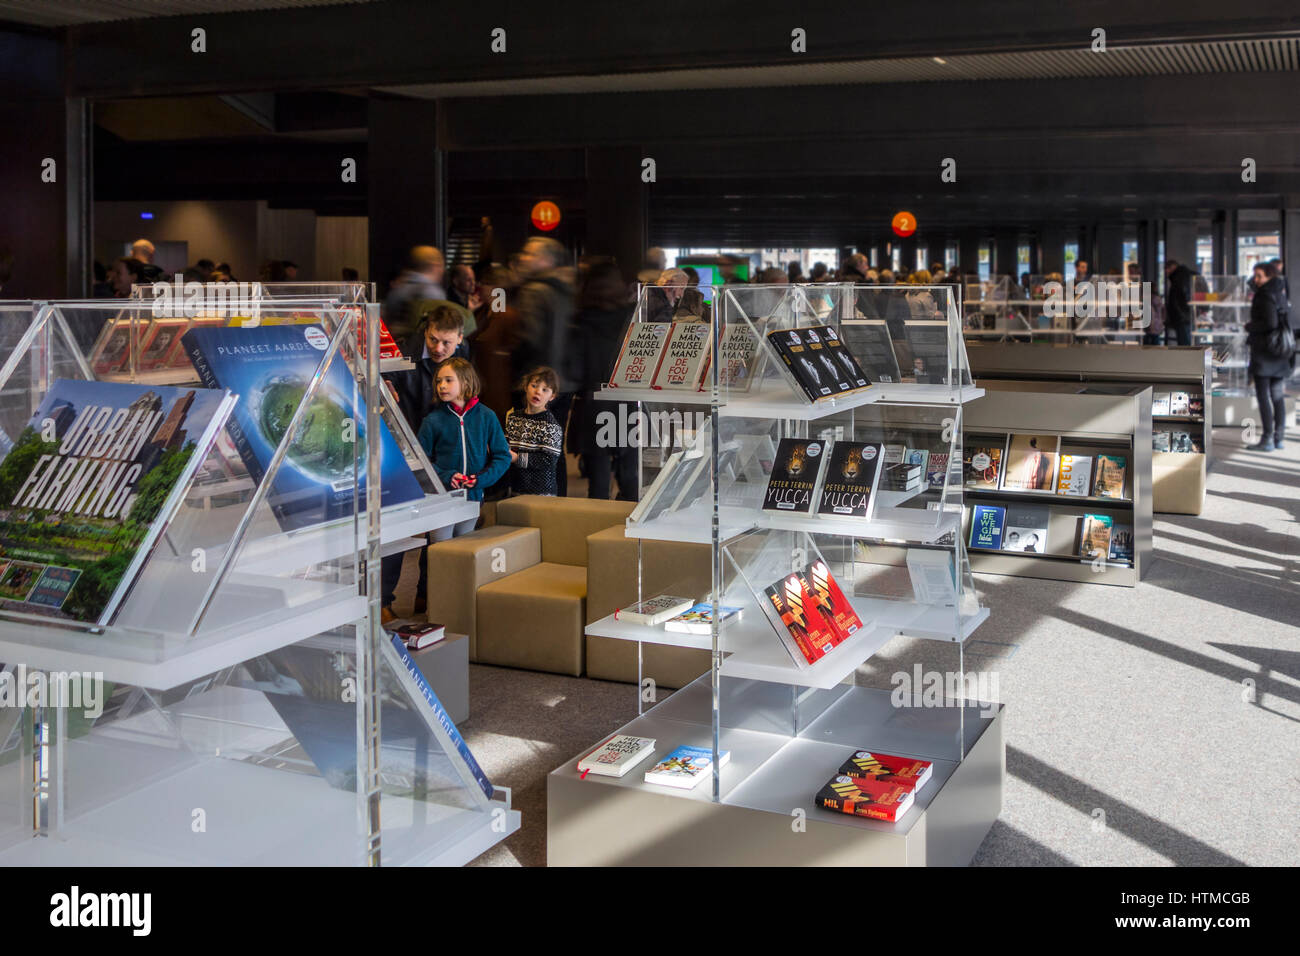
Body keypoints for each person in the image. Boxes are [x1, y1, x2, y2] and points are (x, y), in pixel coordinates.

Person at [379, 357, 510, 622]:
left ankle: (457, 608)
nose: (441, 385)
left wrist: (481, 479)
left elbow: (502, 456)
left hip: (472, 500)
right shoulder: (433, 421)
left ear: (466, 382)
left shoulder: (486, 417)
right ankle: (435, 608)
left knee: (462, 556)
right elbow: (422, 462)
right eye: (438, 380)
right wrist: (448, 477)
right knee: (439, 556)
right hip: (441, 501)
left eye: (448, 380)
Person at [514, 236, 577, 493]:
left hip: (538, 380)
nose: (524, 258)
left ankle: (535, 498)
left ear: (546, 259)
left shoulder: (533, 291)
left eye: (530, 254)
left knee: (531, 443)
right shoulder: (569, 290)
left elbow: (530, 338)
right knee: (554, 443)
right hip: (563, 380)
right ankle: (558, 497)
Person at [573, 260, 637, 500]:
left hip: (593, 400)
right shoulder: (630, 317)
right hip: (627, 398)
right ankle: (631, 526)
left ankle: (597, 522)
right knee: (630, 471)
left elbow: (576, 367)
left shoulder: (580, 320)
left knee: (598, 474)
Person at [388, 301, 466, 435]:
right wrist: (384, 384)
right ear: (425, 332)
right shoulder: (401, 353)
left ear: (459, 339)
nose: (438, 349)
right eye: (433, 339)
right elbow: (386, 379)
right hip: (410, 436)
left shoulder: (464, 353)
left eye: (446, 342)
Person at [1244, 260, 1294, 451]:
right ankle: (1278, 438)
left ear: (1269, 276)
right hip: (1280, 351)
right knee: (1277, 395)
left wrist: (1249, 326)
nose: (1255, 279)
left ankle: (1267, 439)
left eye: (1259, 276)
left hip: (1265, 351)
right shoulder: (1280, 292)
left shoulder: (1264, 295)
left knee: (1264, 396)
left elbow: (1270, 323)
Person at [505, 366, 564, 496]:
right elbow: (508, 444)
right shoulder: (514, 417)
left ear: (552, 396)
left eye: (545, 390)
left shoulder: (550, 425)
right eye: (534, 386)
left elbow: (548, 460)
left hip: (541, 490)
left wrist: (517, 458)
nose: (538, 392)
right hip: (517, 485)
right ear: (526, 387)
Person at [382, 245, 447, 343]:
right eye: (442, 265)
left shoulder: (397, 288)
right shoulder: (433, 293)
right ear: (434, 265)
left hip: (394, 349)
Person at [1164, 259, 1195, 346]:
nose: (1166, 272)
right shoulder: (1190, 275)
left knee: (1184, 345)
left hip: (1182, 317)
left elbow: (1178, 299)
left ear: (1171, 268)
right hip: (1189, 316)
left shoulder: (1178, 278)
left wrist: (1177, 315)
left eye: (1167, 269)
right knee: (1188, 343)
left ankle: (1186, 360)